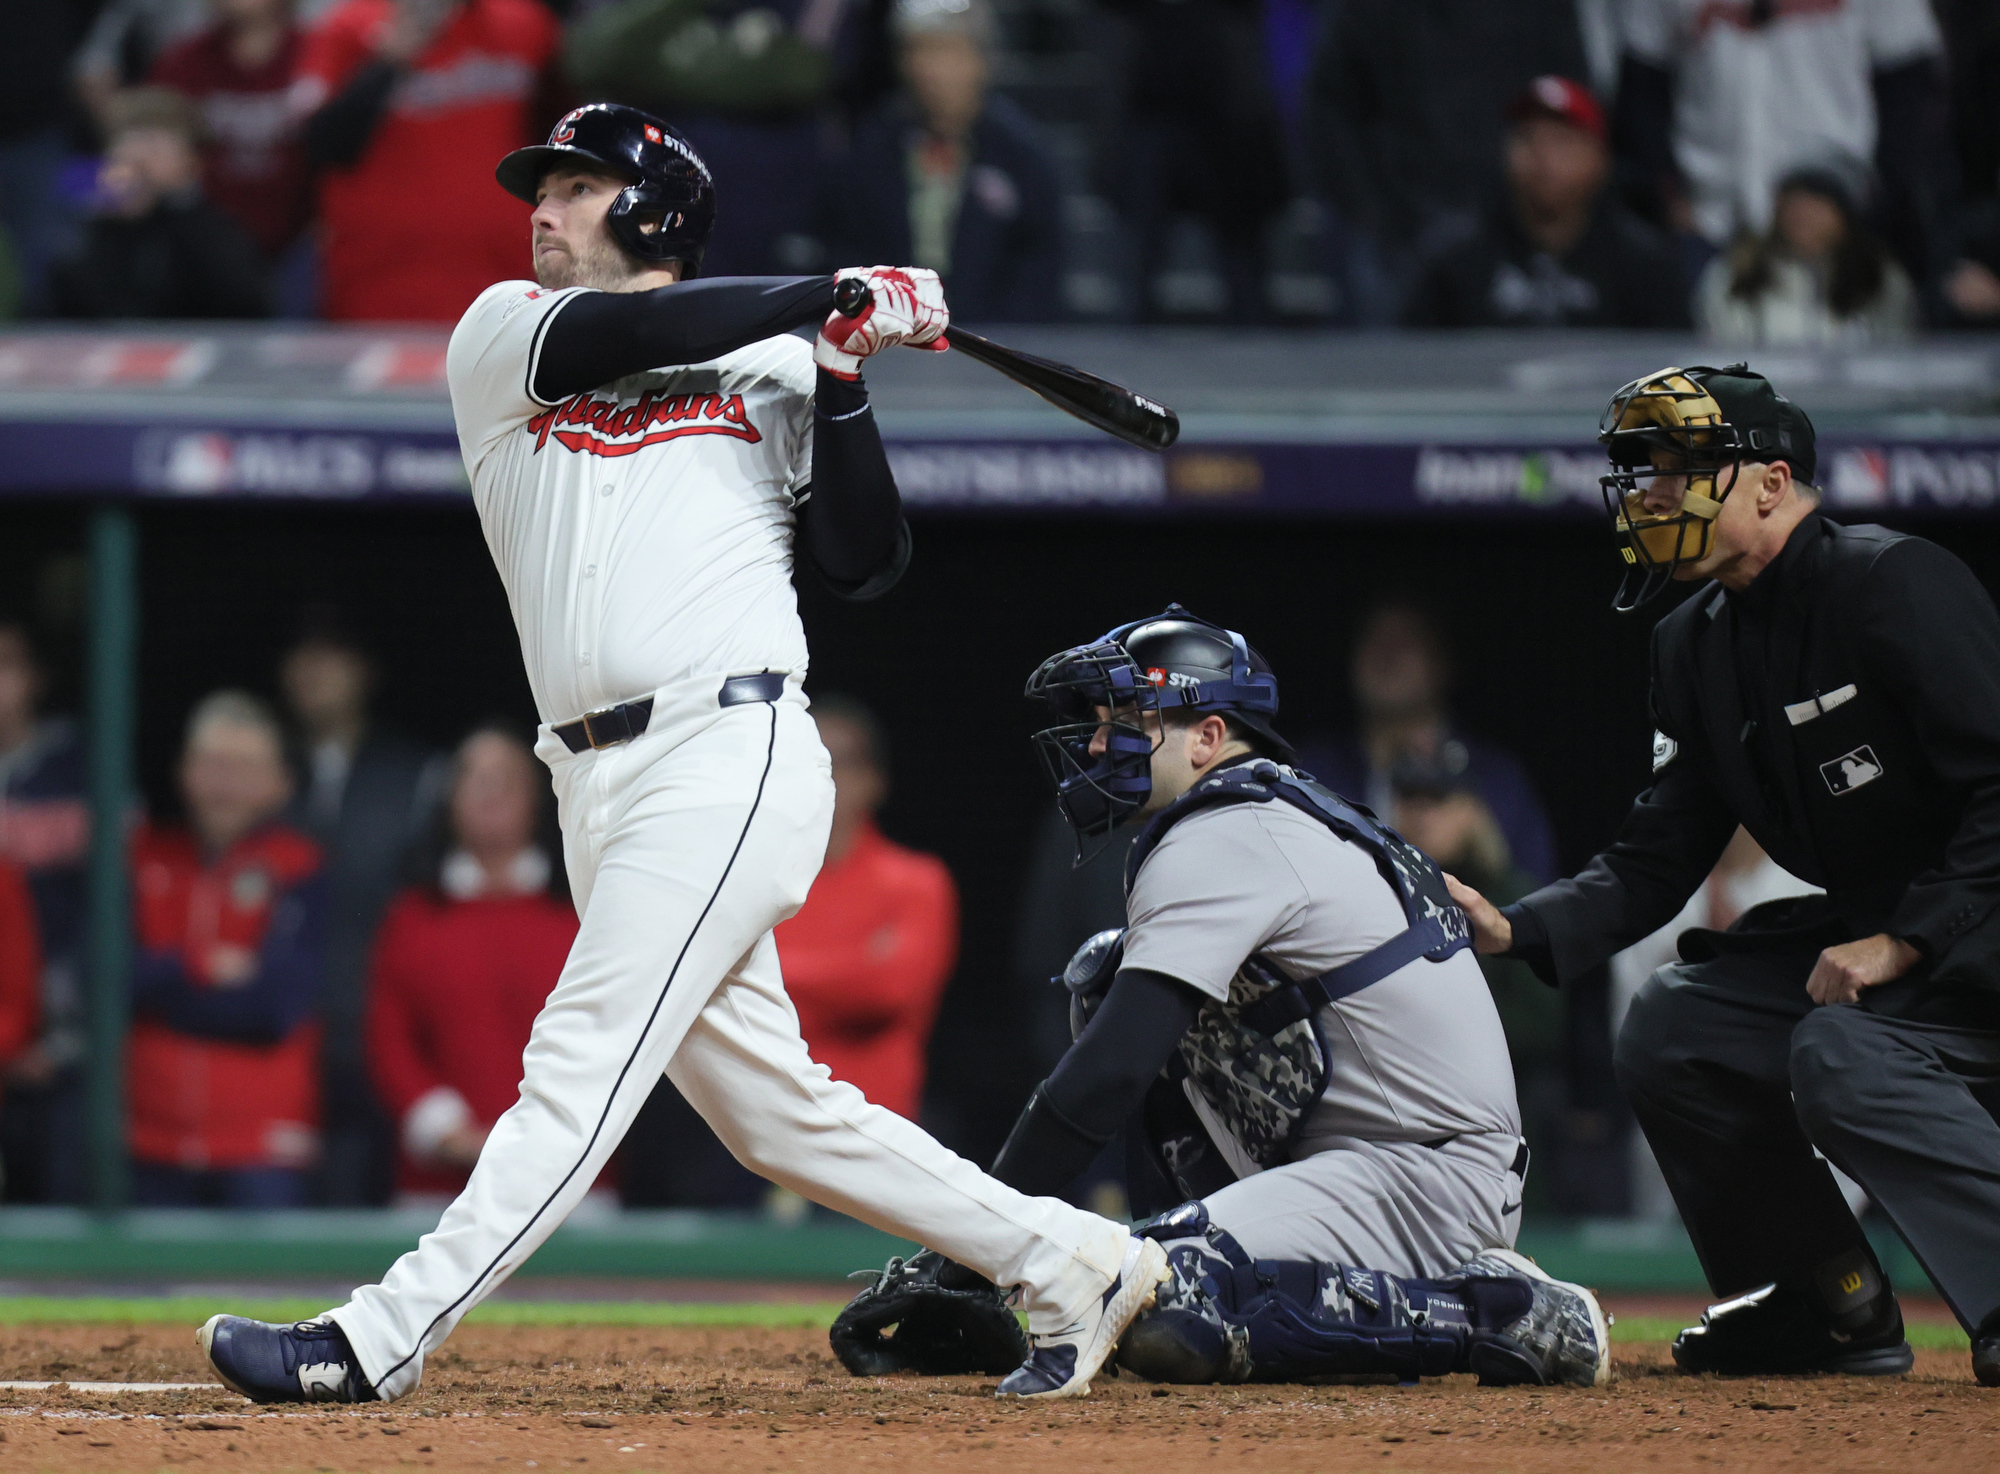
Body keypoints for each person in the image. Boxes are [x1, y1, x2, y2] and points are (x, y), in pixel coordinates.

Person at [200, 101, 1165, 1407]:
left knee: (580, 1055)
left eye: (577, 187)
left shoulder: (772, 366)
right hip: (588, 778)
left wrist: (841, 371)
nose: (543, 210)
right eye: (542, 189)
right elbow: (637, 334)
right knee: (775, 1116)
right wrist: (829, 295)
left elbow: (863, 560)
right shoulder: (504, 331)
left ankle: (378, 1336)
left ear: (654, 208)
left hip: (729, 747)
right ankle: (1076, 1261)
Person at [830, 609, 1609, 1389]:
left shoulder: (1226, 829)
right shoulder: (1263, 810)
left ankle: (1497, 1314)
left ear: (1207, 737)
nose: (1098, 744)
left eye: (1128, 720)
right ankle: (1268, 1273)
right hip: (1379, 1154)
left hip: (1426, 1173)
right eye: (1100, 722)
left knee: (1156, 1299)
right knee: (1108, 980)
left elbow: (1109, 1072)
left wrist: (964, 1255)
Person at [1446, 362, 2000, 1386]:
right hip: (1890, 944)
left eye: (1679, 469)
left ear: (1771, 483)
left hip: (1974, 931)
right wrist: (1514, 926)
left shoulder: (1891, 581)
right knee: (1676, 1022)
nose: (1652, 495)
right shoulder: (1689, 643)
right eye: (1644, 473)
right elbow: (1657, 852)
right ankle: (1825, 1307)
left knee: (1838, 1047)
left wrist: (1903, 940)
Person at [129, 692, 326, 1208]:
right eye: (212, 763)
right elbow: (111, 981)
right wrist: (198, 965)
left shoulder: (302, 866)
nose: (226, 783)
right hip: (151, 1141)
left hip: (261, 1147)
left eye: (244, 767)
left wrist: (161, 996)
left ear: (280, 782)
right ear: (182, 771)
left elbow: (273, 1006)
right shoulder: (145, 859)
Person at [366, 726, 576, 1201]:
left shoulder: (581, 912)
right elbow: (389, 1038)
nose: (490, 793)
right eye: (475, 779)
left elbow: (610, 1032)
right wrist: (445, 1130)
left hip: (568, 1179)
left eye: (506, 779)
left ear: (538, 797)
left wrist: (554, 1128)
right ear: (449, 799)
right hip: (437, 1189)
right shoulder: (412, 919)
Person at [278, 616, 442, 1205]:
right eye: (302, 654)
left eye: (332, 653)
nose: (314, 669)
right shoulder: (263, 769)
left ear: (365, 671)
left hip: (382, 1034)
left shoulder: (418, 775)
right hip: (282, 1038)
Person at [1615, 0, 1948, 282]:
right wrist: (1666, 197)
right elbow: (1643, 86)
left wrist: (1876, 202)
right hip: (1708, 222)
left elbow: (1909, 87)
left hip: (1835, 227)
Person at [1305, 0, 1590, 320]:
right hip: (1401, 232)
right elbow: (1332, 109)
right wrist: (1372, 213)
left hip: (1518, 229)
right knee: (1393, 346)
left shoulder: (1537, 10)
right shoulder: (1375, 11)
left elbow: (1571, 101)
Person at [293, 0, 561, 321]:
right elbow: (319, 148)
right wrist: (388, 61)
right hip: (382, 284)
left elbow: (559, 142)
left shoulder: (526, 24)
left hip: (506, 279)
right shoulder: (348, 27)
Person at [819, 0, 1062, 322]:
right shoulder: (869, 151)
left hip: (993, 337)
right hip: (887, 337)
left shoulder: (1021, 158)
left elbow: (1039, 269)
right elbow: (844, 254)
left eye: (948, 51)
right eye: (917, 51)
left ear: (983, 60)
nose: (930, 71)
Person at [776, 695, 957, 1120]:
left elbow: (890, 987)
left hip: (871, 1123)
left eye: (835, 762)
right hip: (763, 1123)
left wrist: (776, 973)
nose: (818, 777)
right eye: (802, 761)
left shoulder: (916, 882)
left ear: (873, 780)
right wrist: (853, 968)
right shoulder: (760, 886)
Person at [1294, 600, 1556, 886]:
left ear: (1441, 661)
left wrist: (1487, 856)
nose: (1387, 654)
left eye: (1406, 640)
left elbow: (1542, 898)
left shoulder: (1496, 778)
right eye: (1373, 638)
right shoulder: (1312, 771)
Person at [1404, 76, 1690, 329]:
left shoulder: (1643, 267)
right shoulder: (1456, 260)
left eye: (1562, 141)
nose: (1542, 156)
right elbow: (1413, 357)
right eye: (1526, 138)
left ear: (1600, 160)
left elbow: (1669, 359)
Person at [0, 623, 91, 1204]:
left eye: (5, 665)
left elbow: (112, 914)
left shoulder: (81, 766)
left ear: (34, 677)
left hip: (63, 1036)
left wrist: (55, 1037)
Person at [47, 87, 271, 320]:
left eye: (154, 144)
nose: (141, 157)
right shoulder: (88, 232)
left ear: (189, 161)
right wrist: (116, 220)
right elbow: (63, 305)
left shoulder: (213, 232)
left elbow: (245, 302)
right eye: (130, 142)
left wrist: (177, 206)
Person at [150, 0, 313, 262]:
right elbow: (144, 146)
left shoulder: (316, 53)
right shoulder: (186, 60)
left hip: (304, 241)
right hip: (206, 245)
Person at [1695, 163, 1917, 344]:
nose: (1802, 214)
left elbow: (1896, 357)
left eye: (1817, 203)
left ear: (1845, 217)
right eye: (1793, 202)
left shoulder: (1878, 280)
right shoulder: (1739, 276)